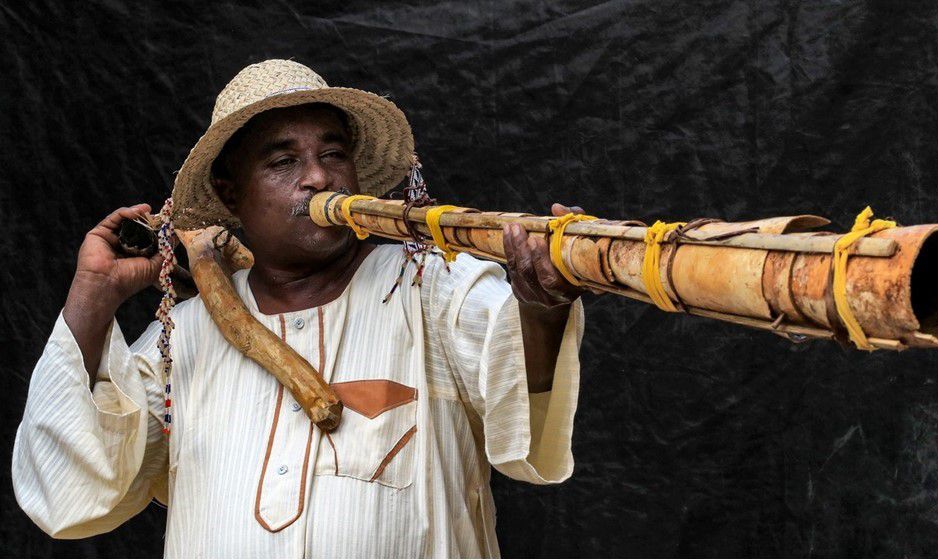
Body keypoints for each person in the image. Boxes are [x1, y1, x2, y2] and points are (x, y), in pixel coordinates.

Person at [12, 59, 584, 557]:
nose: (317, 176)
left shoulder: (434, 284)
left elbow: (525, 419)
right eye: (283, 161)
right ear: (231, 193)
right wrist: (93, 295)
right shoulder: (181, 338)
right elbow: (70, 495)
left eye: (333, 153)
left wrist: (542, 304)